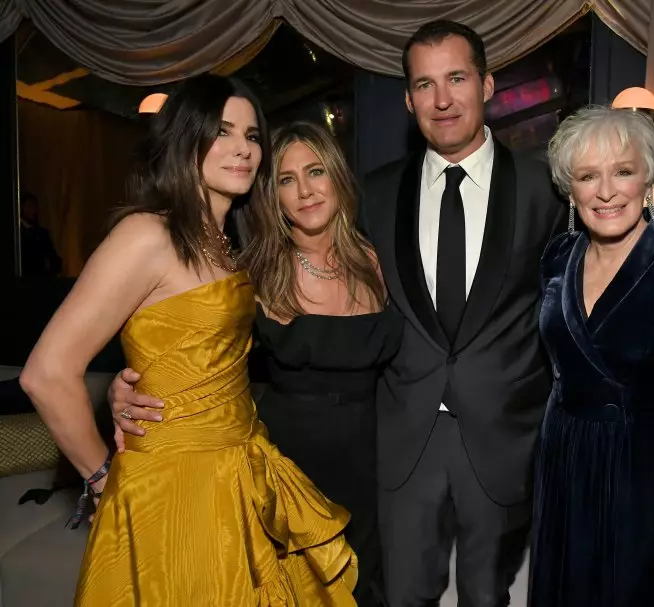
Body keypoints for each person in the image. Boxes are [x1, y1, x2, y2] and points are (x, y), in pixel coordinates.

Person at [359, 20, 654, 606]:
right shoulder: (374, 193)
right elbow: (333, 279)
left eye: (457, 78)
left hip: (516, 442)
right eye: (424, 84)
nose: (442, 99)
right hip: (418, 437)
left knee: (492, 594)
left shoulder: (542, 186)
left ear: (487, 84)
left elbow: (640, 256)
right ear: (408, 96)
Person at [19, 75, 357, 606]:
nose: (243, 149)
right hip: (173, 488)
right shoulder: (147, 235)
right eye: (221, 131)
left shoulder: (230, 245)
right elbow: (46, 373)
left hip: (240, 471)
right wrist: (104, 478)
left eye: (251, 135)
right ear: (185, 137)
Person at [108, 121, 401, 606]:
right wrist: (123, 386)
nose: (305, 190)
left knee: (366, 583)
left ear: (339, 179)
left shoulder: (373, 258)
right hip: (289, 465)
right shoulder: (257, 272)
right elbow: (192, 351)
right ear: (273, 196)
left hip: (372, 459)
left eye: (315, 171)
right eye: (286, 180)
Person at [527, 106, 654, 607]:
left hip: (646, 483)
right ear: (570, 189)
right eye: (587, 176)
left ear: (647, 179)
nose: (606, 191)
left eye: (623, 171)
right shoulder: (557, 256)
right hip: (564, 470)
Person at [19, 192, 62, 276]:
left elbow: (52, 256)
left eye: (34, 207)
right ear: (21, 207)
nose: (33, 210)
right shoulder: (17, 232)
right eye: (29, 206)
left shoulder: (42, 233)